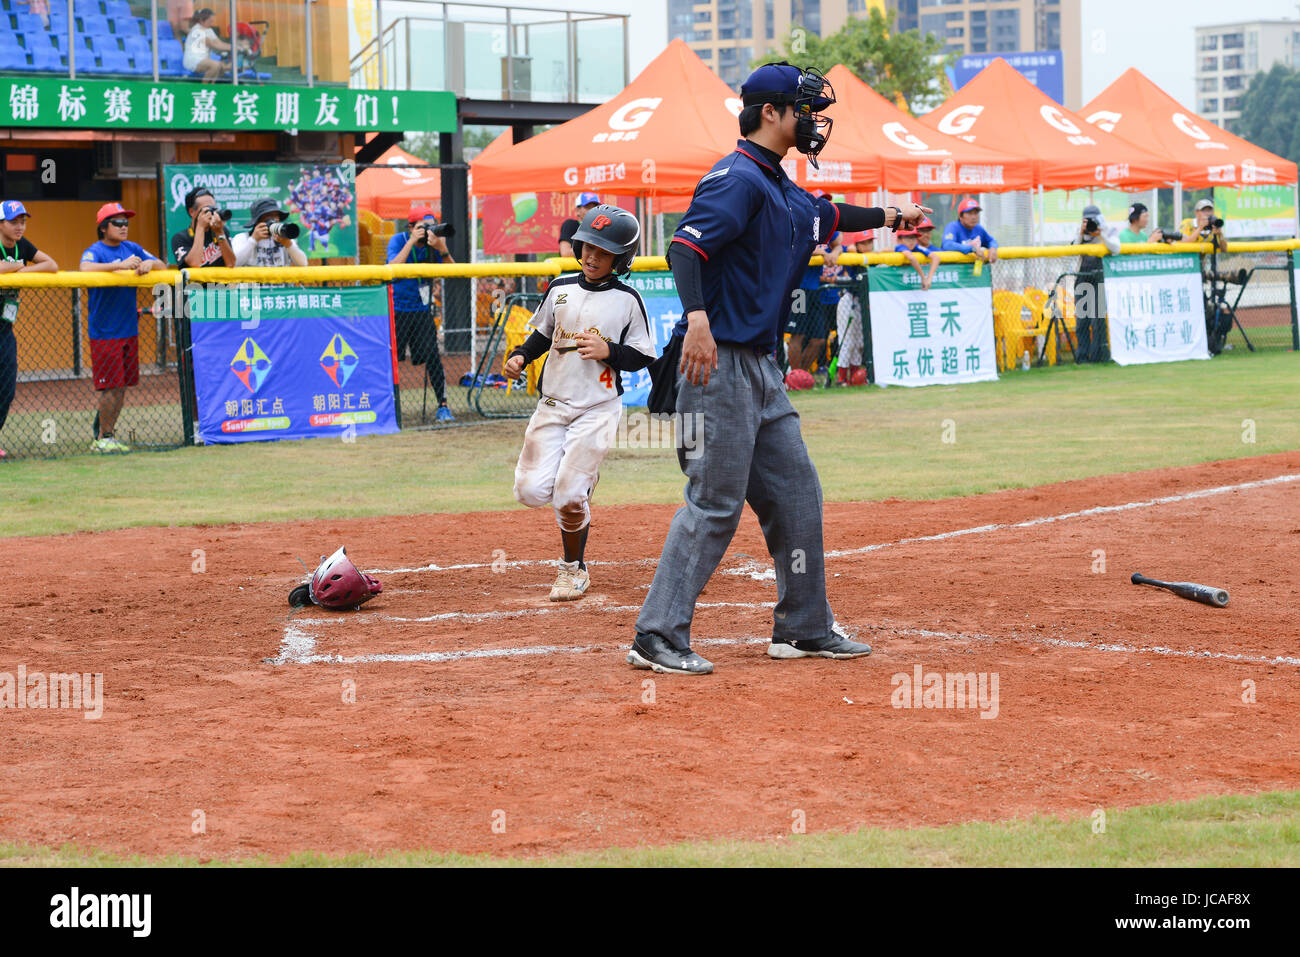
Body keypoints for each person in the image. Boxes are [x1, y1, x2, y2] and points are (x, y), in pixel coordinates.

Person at [628, 61, 928, 675]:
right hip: (716, 366)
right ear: (772, 113)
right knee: (715, 502)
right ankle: (655, 635)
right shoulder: (736, 179)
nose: (815, 121)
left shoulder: (778, 184)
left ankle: (803, 627)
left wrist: (891, 216)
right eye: (805, 109)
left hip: (760, 370)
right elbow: (684, 248)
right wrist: (700, 321)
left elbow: (829, 215)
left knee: (796, 494)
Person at [505, 204, 655, 602]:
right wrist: (522, 355)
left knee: (569, 496)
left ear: (620, 258)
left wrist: (609, 351)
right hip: (553, 404)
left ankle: (573, 569)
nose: (592, 256)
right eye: (587, 246)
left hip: (598, 407)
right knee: (530, 492)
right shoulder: (560, 288)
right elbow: (542, 335)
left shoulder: (627, 299)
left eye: (603, 251)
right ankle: (584, 481)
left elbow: (642, 355)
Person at [78, 203, 163, 454]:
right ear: (103, 228)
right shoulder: (96, 251)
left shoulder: (133, 248)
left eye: (126, 223)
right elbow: (84, 268)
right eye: (118, 223)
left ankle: (109, 435)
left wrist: (148, 265)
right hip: (105, 332)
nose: (124, 227)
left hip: (128, 329)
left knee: (122, 385)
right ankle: (103, 437)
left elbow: (161, 265)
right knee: (110, 386)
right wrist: (121, 265)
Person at [0, 201, 57, 460]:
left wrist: (22, 268)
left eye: (23, 221)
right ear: (1, 224)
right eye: (14, 221)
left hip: (4, 327)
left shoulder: (23, 246)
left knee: (7, 388)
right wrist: (16, 267)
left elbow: (51, 265)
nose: (19, 226)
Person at [387, 207, 455, 422]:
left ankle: (443, 405)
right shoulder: (398, 240)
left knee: (434, 358)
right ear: (410, 227)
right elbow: (392, 268)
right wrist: (410, 242)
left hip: (422, 312)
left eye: (430, 226)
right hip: (398, 311)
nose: (427, 231)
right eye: (422, 227)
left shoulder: (434, 244)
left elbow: (454, 272)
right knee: (391, 359)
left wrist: (442, 249)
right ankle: (388, 405)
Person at [786, 231, 842, 376]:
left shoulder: (827, 221)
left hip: (814, 288)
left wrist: (834, 253)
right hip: (797, 287)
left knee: (819, 339)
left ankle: (801, 377)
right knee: (797, 336)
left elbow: (838, 245)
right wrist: (823, 253)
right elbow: (798, 246)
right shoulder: (800, 217)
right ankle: (795, 378)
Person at [1071, 203, 1121, 364]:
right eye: (1087, 220)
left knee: (1098, 320)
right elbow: (1071, 250)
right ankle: (1082, 357)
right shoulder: (1081, 233)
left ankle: (1099, 355)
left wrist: (1100, 235)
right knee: (1082, 320)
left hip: (1100, 277)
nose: (1090, 223)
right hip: (1082, 277)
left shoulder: (1108, 230)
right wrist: (1081, 233)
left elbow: (1116, 248)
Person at [833, 234, 872, 385]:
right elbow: (847, 249)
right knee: (846, 341)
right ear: (858, 245)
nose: (869, 245)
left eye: (870, 242)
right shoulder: (852, 255)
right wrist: (854, 248)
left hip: (860, 302)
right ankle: (842, 378)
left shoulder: (871, 259)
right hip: (848, 300)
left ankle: (855, 377)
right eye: (865, 243)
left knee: (859, 342)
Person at [232, 198, 308, 268]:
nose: (273, 220)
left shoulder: (284, 237)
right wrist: (253, 240)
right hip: (254, 283)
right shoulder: (243, 238)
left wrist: (289, 245)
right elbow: (234, 263)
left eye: (276, 215)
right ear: (257, 220)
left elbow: (303, 264)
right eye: (268, 216)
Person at [171, 187, 235, 268]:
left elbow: (231, 264)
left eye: (214, 208)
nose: (211, 213)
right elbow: (194, 263)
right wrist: (200, 227)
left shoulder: (220, 231)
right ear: (192, 212)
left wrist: (219, 232)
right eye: (207, 209)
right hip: (196, 281)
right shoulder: (180, 238)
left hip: (219, 280)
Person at [941, 198, 998, 264]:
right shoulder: (953, 227)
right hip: (953, 270)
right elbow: (947, 245)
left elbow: (991, 240)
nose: (973, 217)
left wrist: (993, 248)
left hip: (972, 271)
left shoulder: (978, 229)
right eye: (969, 213)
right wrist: (972, 249)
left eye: (976, 213)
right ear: (960, 216)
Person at [183, 9, 232, 82]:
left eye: (212, 21)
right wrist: (234, 48)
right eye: (210, 21)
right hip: (193, 60)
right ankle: (204, 88)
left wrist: (236, 47)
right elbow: (214, 45)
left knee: (223, 67)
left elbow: (220, 43)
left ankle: (212, 87)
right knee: (215, 65)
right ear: (202, 20)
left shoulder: (209, 30)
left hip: (203, 60)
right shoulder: (196, 30)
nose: (212, 24)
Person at [896, 218, 941, 290]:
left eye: (913, 237)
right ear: (899, 240)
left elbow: (936, 257)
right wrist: (923, 277)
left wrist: (929, 278)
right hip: (899, 285)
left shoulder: (916, 247)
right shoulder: (901, 247)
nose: (926, 234)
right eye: (922, 231)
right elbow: (911, 257)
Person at [557, 192, 601, 259]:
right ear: (577, 210)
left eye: (595, 207)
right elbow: (565, 253)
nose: (592, 210)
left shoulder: (601, 228)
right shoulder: (571, 224)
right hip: (572, 268)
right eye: (588, 207)